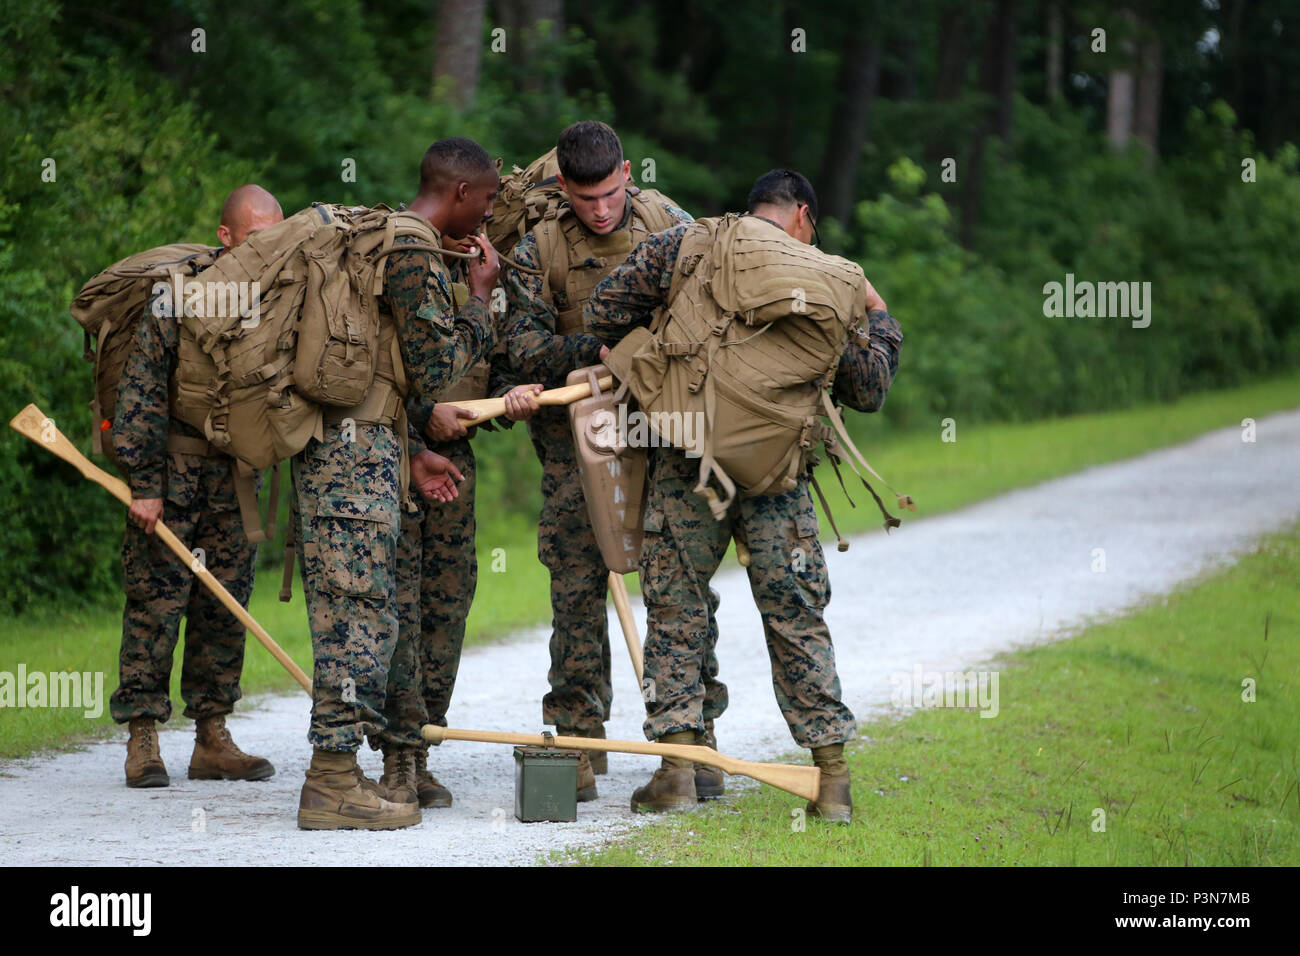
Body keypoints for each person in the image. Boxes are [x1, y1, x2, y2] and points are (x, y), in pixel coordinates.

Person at [584, 169, 904, 823]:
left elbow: (603, 312)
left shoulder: (688, 244)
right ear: (803, 218)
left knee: (676, 613)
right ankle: (833, 780)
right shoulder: (831, 278)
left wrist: (675, 339)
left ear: (754, 208)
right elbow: (868, 389)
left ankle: (677, 769)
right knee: (795, 617)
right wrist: (878, 311)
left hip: (689, 460)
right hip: (779, 476)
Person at [505, 120, 732, 802]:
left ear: (628, 174)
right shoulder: (537, 247)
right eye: (583, 198)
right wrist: (593, 355)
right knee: (577, 583)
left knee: (680, 583)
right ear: (562, 188)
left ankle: (695, 741)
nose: (599, 210)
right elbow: (518, 344)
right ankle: (577, 740)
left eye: (608, 194)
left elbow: (717, 313)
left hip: (667, 435)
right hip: (575, 440)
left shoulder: (673, 225)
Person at [293, 137, 502, 830]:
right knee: (355, 615)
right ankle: (331, 780)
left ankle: (343, 771)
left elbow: (388, 372)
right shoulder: (412, 249)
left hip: (369, 449)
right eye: (489, 200)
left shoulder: (387, 238)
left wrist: (410, 448)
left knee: (366, 612)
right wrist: (479, 299)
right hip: (352, 463)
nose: (489, 215)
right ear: (462, 193)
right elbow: (435, 361)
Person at [111, 184, 284, 788]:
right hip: (174, 475)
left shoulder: (276, 300)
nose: (269, 253)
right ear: (227, 236)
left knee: (224, 607)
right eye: (258, 239)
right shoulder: (175, 298)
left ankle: (212, 736)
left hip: (236, 480)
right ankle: (142, 736)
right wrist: (144, 483)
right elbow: (141, 394)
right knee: (156, 606)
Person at [371, 235, 542, 808]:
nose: (488, 222)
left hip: (456, 470)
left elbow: (489, 369)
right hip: (394, 457)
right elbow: (369, 374)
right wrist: (421, 421)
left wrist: (508, 396)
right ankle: (396, 756)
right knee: (401, 607)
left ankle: (422, 746)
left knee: (447, 604)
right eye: (482, 203)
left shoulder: (486, 277)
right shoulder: (400, 267)